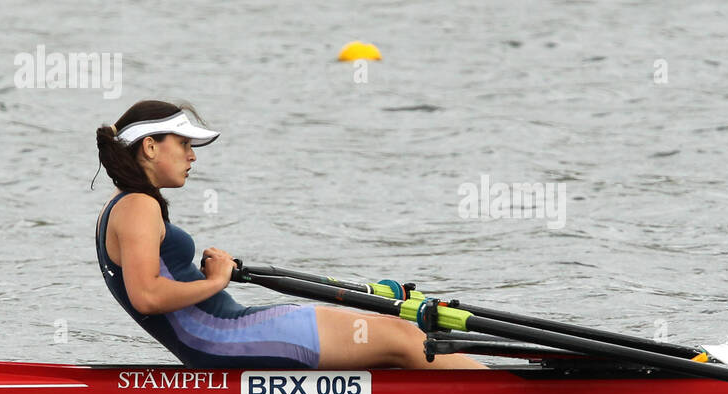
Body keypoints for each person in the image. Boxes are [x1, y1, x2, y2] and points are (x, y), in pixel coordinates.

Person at [94, 100, 485, 370]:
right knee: (401, 336)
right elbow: (147, 296)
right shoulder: (138, 206)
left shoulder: (120, 206)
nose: (192, 155)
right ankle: (502, 391)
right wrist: (216, 280)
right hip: (224, 338)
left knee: (389, 342)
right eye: (183, 144)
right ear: (150, 147)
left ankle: (455, 383)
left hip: (226, 334)